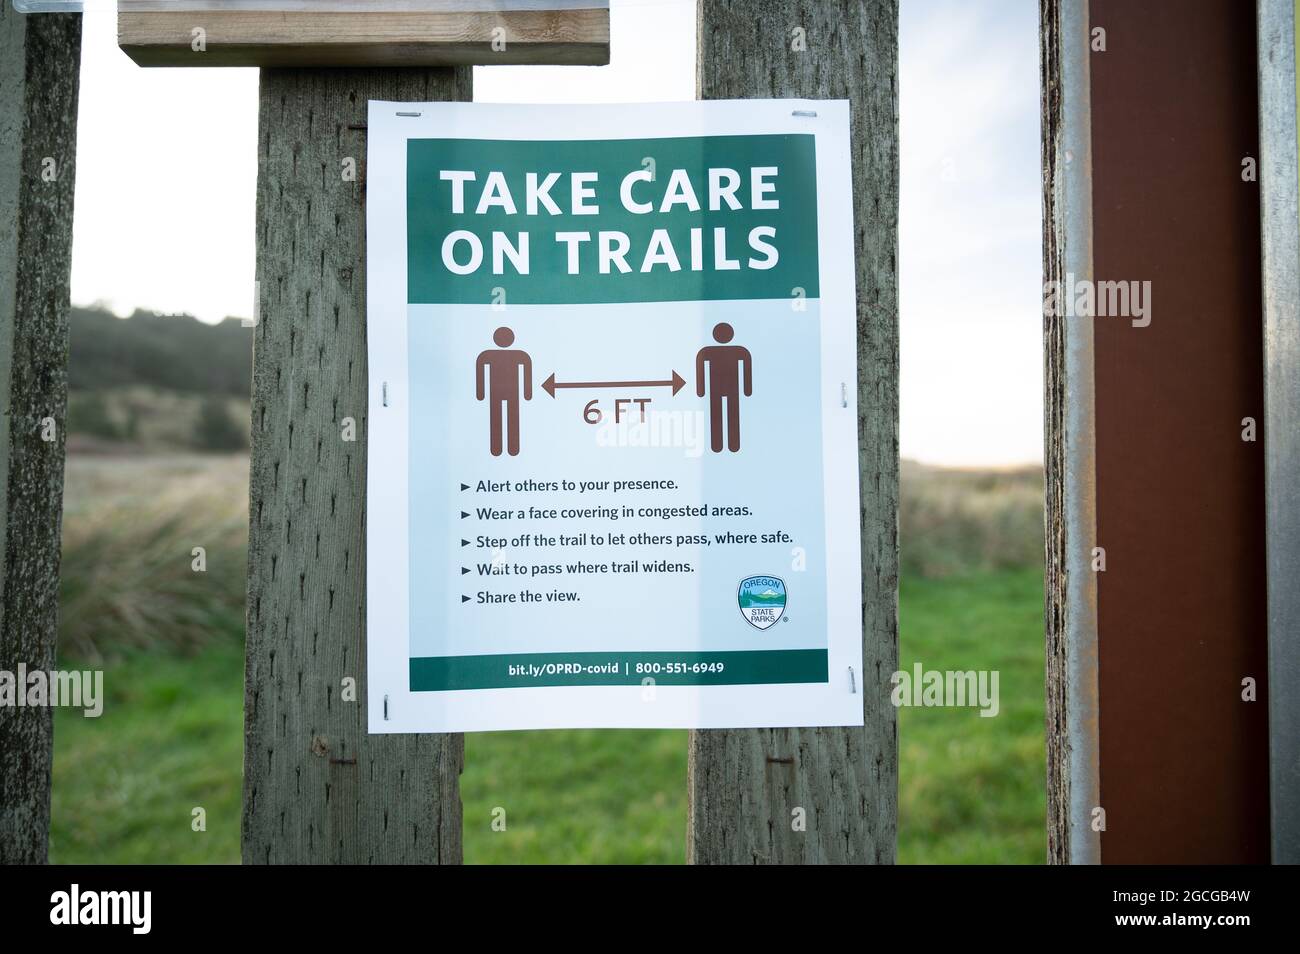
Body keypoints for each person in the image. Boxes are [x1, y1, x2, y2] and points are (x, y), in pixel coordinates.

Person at [695, 322, 752, 453]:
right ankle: (721, 445)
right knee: (720, 415)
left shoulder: (737, 351)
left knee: (730, 415)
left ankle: (728, 445)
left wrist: (701, 391)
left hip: (726, 389)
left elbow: (746, 367)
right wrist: (747, 390)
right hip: (722, 389)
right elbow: (700, 366)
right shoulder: (738, 350)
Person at [476, 327, 532, 456]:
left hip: (509, 393)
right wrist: (527, 394)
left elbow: (527, 370)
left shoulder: (519, 355)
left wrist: (481, 393)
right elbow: (480, 371)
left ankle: (512, 448)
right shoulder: (487, 355)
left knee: (511, 417)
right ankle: (498, 448)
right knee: (498, 418)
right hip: (499, 393)